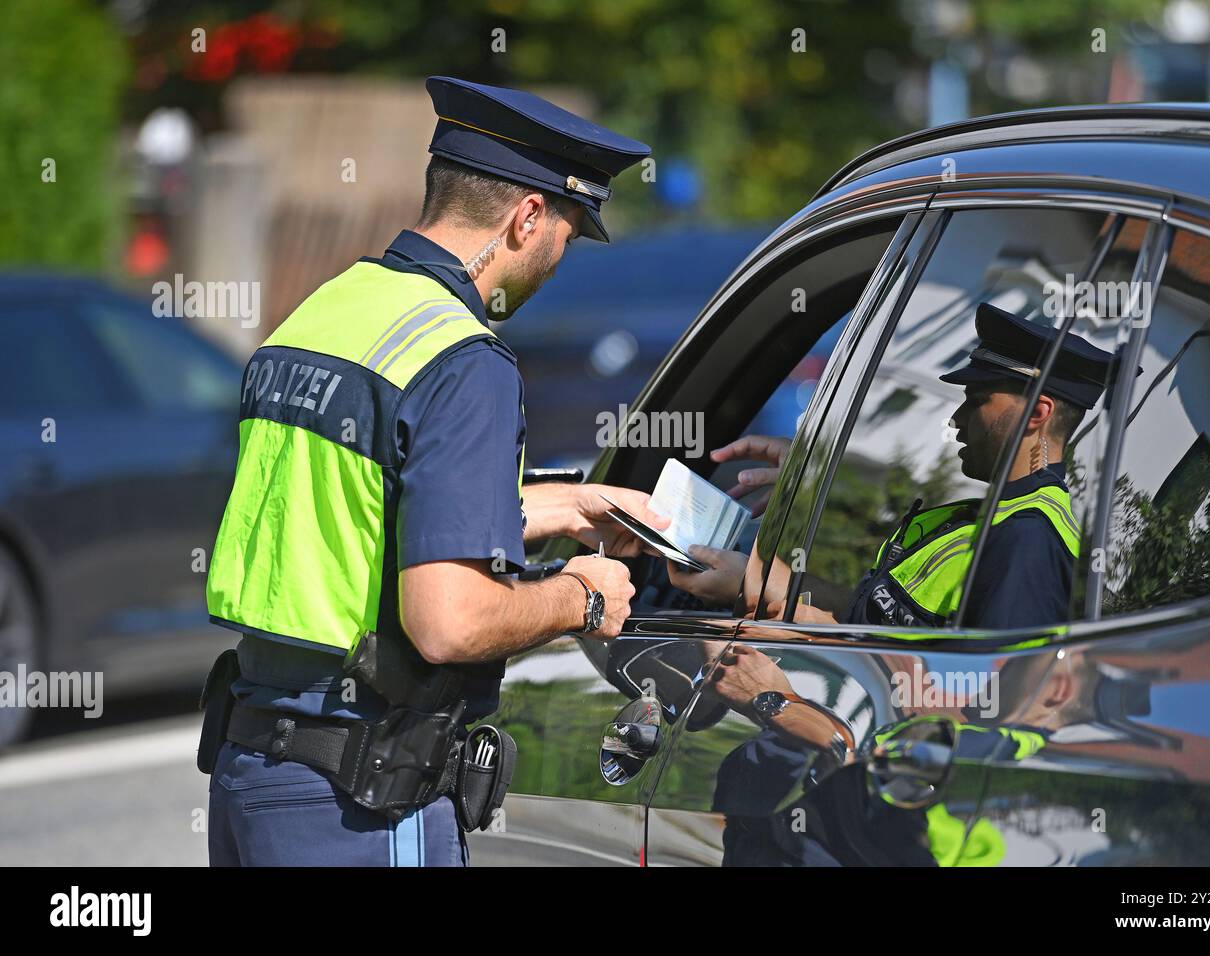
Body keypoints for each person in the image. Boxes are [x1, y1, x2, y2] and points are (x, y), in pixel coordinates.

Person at [198, 76, 668, 866]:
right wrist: (583, 597)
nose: (558, 260)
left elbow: (346, 513)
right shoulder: (463, 361)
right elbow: (448, 623)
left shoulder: (322, 314)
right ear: (526, 217)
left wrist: (548, 505)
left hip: (254, 771)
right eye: (567, 232)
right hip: (359, 795)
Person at [669, 303, 1123, 630]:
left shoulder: (1027, 536)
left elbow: (986, 700)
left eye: (978, 401)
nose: (957, 419)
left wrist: (783, 703)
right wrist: (760, 581)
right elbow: (879, 617)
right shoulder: (983, 518)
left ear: (1037, 414)